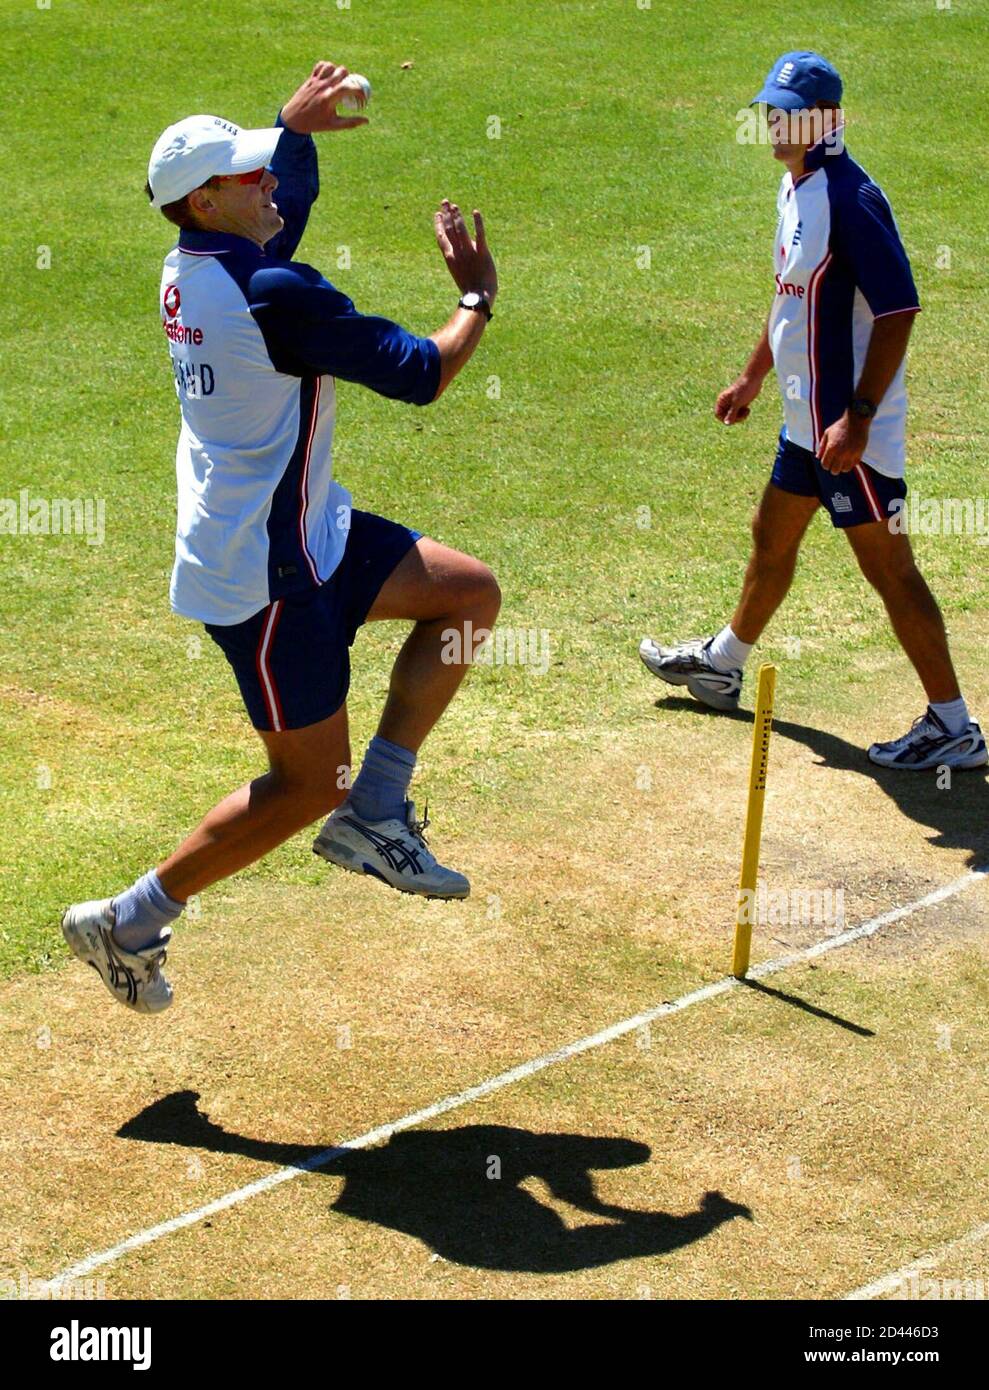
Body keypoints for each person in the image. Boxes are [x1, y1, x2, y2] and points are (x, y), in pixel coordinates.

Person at [62, 61, 502, 1014]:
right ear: (207, 199)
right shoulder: (274, 294)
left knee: (468, 597)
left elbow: (277, 219)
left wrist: (289, 133)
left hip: (310, 534)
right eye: (251, 175)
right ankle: (129, 920)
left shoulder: (200, 263)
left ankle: (374, 813)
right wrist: (475, 301)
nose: (270, 187)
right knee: (305, 784)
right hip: (263, 577)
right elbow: (420, 375)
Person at [640, 51, 985, 773]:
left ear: (826, 120)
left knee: (890, 571)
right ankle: (722, 666)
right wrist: (751, 375)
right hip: (808, 420)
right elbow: (788, 295)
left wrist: (858, 418)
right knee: (770, 535)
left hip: (848, 434)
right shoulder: (793, 187)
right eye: (770, 108)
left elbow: (898, 310)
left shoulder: (851, 199)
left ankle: (953, 724)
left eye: (787, 111)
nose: (773, 121)